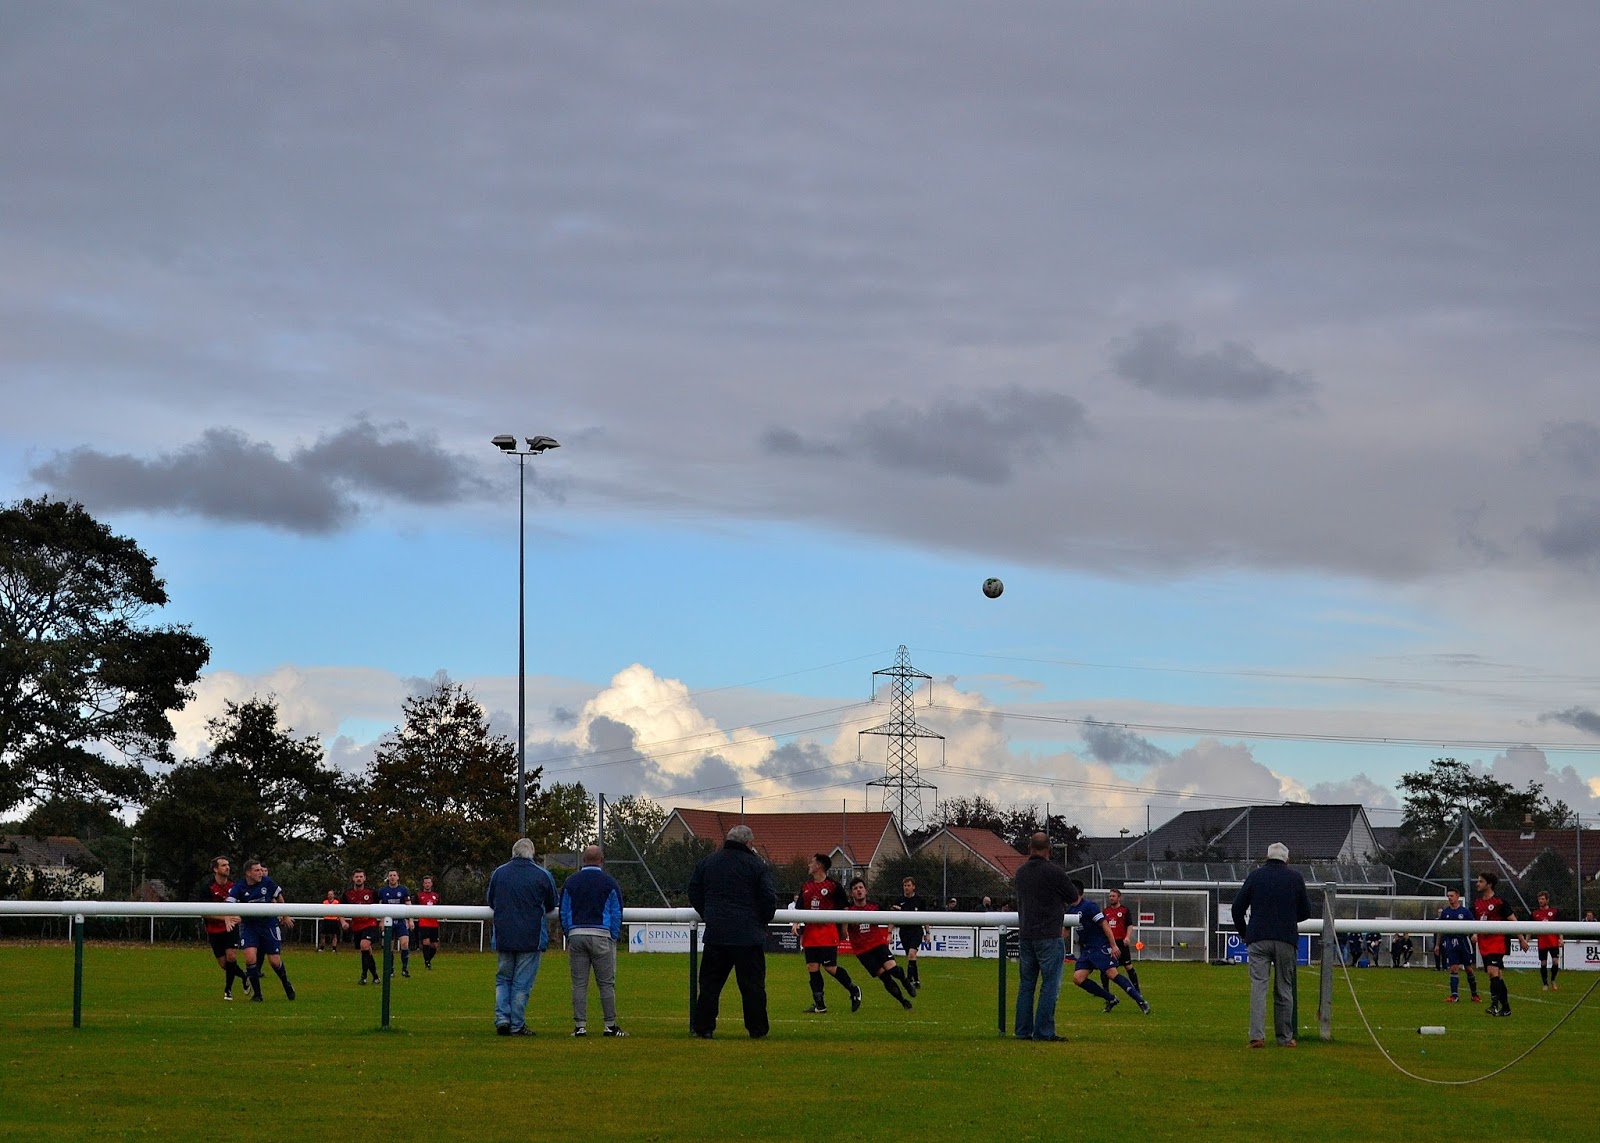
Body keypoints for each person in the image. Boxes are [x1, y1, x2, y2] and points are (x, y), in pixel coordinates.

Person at [688, 824, 779, 1039]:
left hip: (717, 934)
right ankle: (757, 1030)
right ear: (748, 843)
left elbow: (694, 890)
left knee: (710, 986)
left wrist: (708, 913)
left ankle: (704, 1028)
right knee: (753, 987)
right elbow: (768, 899)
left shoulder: (708, 862)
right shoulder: (756, 865)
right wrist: (761, 921)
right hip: (748, 937)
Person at [1230, 841, 1311, 1048]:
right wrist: (1289, 918)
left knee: (1259, 986)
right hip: (1286, 939)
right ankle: (1284, 1037)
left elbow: (1237, 908)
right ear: (1287, 859)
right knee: (1284, 988)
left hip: (1258, 938)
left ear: (1266, 857)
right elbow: (1306, 912)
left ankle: (1257, 1036)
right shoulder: (1295, 878)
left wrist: (1244, 933)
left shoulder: (1255, 876)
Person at [485, 838, 558, 1036]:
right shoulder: (542, 875)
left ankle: (502, 1018)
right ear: (531, 852)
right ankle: (516, 1024)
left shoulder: (499, 873)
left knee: (503, 979)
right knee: (521, 983)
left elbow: (490, 901)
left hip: (503, 934)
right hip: (531, 936)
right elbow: (552, 904)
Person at [1012, 831, 1075, 1042]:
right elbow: (1073, 897)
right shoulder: (1054, 872)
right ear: (1049, 850)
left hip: (1026, 935)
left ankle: (1022, 1031)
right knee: (1049, 984)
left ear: (1029, 848)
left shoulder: (1020, 873)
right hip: (1049, 935)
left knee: (1026, 985)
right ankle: (1044, 1031)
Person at [560, 844, 626, 1038]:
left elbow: (564, 911)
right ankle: (610, 1025)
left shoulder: (571, 882)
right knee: (606, 983)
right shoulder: (610, 883)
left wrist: (569, 933)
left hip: (577, 935)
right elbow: (616, 912)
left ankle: (580, 1026)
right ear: (601, 861)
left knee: (579, 984)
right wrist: (613, 935)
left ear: (583, 860)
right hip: (601, 935)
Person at [790, 853, 861, 1014]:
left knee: (830, 967)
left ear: (819, 866)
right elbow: (799, 908)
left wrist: (843, 929)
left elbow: (845, 909)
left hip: (827, 932)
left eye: (811, 862)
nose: (809, 865)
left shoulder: (833, 887)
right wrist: (795, 923)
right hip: (810, 933)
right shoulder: (806, 887)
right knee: (812, 967)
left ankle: (853, 989)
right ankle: (820, 1004)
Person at [1068, 880, 1150, 1015]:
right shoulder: (1070, 910)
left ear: (1075, 892)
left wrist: (1113, 945)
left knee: (1112, 973)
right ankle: (1111, 998)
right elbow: (1065, 932)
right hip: (1087, 949)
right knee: (1078, 978)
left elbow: (1105, 925)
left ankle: (1140, 1001)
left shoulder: (1089, 906)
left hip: (1100, 946)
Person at [227, 857, 296, 1002]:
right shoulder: (239, 887)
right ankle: (257, 994)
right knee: (250, 957)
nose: (261, 873)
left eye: (261, 870)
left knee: (274, 962)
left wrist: (285, 915)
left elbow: (279, 897)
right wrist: (232, 916)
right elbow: (228, 904)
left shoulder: (267, 882)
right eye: (257, 870)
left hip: (268, 925)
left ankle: (286, 983)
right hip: (249, 927)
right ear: (248, 873)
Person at [844, 878, 915, 1010]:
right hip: (863, 952)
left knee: (893, 970)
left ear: (866, 891)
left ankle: (905, 981)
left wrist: (894, 913)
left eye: (861, 887)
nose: (859, 890)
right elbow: (843, 931)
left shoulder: (874, 907)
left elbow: (889, 916)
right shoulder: (848, 911)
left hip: (878, 945)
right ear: (851, 893)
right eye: (855, 889)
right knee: (885, 978)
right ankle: (903, 1001)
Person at [1473, 871, 1526, 1017]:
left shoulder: (1499, 902)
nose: (1477, 883)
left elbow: (1513, 921)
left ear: (1489, 884)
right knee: (1497, 976)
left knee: (1492, 972)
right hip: (1484, 944)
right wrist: (1474, 934)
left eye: (1480, 881)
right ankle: (1506, 1008)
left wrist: (1521, 939)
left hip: (1497, 942)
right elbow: (1475, 923)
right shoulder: (1477, 903)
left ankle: (1494, 1005)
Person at [198, 856, 244, 1000]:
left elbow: (243, 906)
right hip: (214, 929)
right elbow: (205, 913)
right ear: (215, 869)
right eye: (224, 865)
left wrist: (238, 916)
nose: (227, 867)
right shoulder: (207, 888)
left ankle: (228, 990)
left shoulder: (234, 887)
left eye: (228, 865)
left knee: (231, 957)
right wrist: (224, 917)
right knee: (224, 964)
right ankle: (245, 977)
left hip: (230, 928)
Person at [1097, 887, 1142, 997]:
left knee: (1128, 966)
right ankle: (1106, 993)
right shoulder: (1106, 911)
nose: (1111, 898)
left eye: (1113, 896)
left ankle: (1137, 990)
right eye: (1110, 896)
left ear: (1119, 897)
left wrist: (1127, 937)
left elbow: (1129, 925)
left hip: (1121, 943)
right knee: (1105, 969)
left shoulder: (1124, 910)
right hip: (1109, 944)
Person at [1439, 888, 1480, 1003]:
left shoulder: (1465, 912)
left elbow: (1474, 925)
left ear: (1457, 896)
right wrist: (1438, 945)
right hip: (1450, 942)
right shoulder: (1445, 912)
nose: (1450, 898)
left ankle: (1474, 994)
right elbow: (1439, 929)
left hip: (1463, 942)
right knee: (1454, 968)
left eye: (1451, 896)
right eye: (1448, 896)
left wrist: (1475, 934)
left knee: (1468, 968)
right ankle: (1454, 995)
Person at [342, 870, 381, 985]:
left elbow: (381, 907)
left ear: (364, 878)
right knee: (366, 950)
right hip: (357, 927)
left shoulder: (371, 893)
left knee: (364, 945)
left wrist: (383, 920)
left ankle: (364, 976)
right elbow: (339, 909)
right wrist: (343, 921)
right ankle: (375, 976)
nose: (359, 879)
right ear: (353, 879)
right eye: (356, 877)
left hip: (370, 924)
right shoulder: (347, 894)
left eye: (361, 876)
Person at [889, 876, 925, 994]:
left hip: (916, 931)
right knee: (910, 957)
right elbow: (892, 918)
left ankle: (910, 980)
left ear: (913, 887)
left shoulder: (920, 901)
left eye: (908, 885)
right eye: (904, 886)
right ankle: (917, 980)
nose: (906, 888)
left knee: (911, 953)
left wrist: (928, 932)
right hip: (904, 932)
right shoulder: (898, 901)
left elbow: (926, 917)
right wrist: (889, 933)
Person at [378, 869, 413, 977]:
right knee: (389, 947)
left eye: (394, 875)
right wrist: (381, 920)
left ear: (398, 877)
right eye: (390, 875)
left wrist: (410, 920)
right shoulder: (383, 891)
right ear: (388, 878)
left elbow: (409, 906)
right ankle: (391, 969)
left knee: (404, 944)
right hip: (389, 922)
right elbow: (380, 907)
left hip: (401, 921)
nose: (392, 877)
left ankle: (404, 969)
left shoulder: (403, 890)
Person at [1531, 891, 1561, 991]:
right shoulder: (1535, 913)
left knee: (1555, 961)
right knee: (1543, 963)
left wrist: (1561, 939)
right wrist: (1525, 940)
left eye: (1543, 899)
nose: (1540, 901)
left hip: (1553, 941)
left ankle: (1553, 980)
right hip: (1542, 942)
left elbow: (1560, 927)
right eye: (1539, 899)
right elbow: (1529, 928)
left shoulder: (1554, 912)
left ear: (1547, 900)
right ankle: (1545, 984)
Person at [415, 876, 441, 969]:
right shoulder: (419, 895)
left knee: (434, 945)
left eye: (428, 883)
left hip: (434, 922)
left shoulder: (436, 896)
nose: (427, 884)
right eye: (425, 883)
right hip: (423, 922)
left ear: (431, 884)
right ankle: (427, 963)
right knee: (426, 942)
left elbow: (440, 908)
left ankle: (428, 960)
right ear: (423, 884)